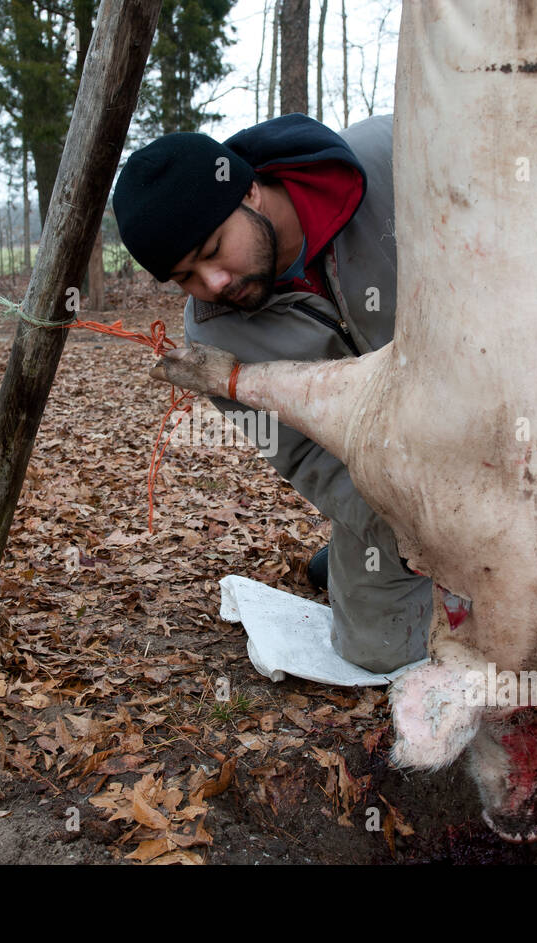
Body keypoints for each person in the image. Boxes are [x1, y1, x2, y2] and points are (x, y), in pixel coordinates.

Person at [112, 112, 433, 674]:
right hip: (390, 481)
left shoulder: (392, 156)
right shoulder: (211, 335)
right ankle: (353, 555)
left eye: (214, 247)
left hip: (499, 413)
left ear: (252, 192)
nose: (212, 284)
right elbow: (306, 454)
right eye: (186, 276)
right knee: (378, 652)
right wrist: (399, 526)